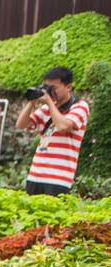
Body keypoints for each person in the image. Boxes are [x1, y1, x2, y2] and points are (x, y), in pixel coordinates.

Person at [16, 65, 91, 196]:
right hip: (35, 175)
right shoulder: (46, 109)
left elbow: (63, 126)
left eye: (53, 88)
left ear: (68, 87)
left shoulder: (80, 106)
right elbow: (21, 125)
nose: (50, 92)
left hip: (58, 178)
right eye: (47, 88)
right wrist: (31, 102)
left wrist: (50, 103)